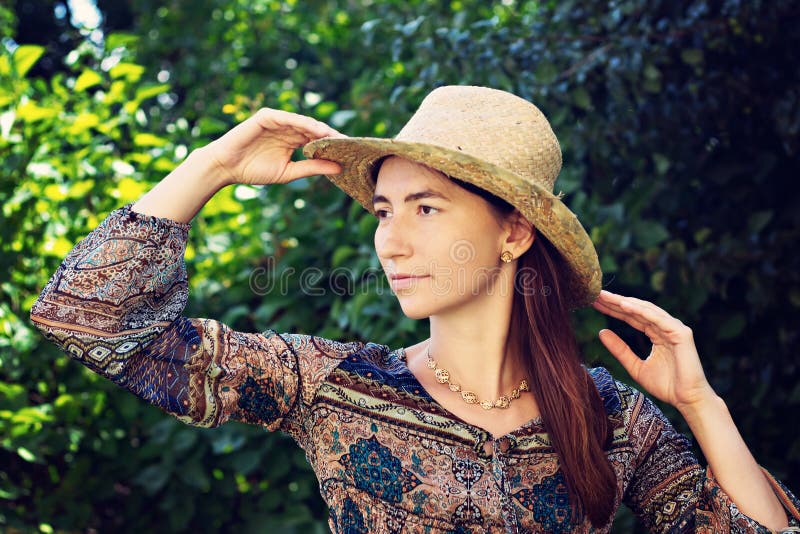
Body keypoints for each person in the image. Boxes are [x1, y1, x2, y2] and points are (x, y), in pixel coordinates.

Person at [30, 85, 799, 533]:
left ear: (513, 232)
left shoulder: (610, 419)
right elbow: (87, 319)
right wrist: (209, 169)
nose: (390, 242)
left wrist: (700, 404)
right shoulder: (332, 386)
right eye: (382, 212)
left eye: (425, 210)